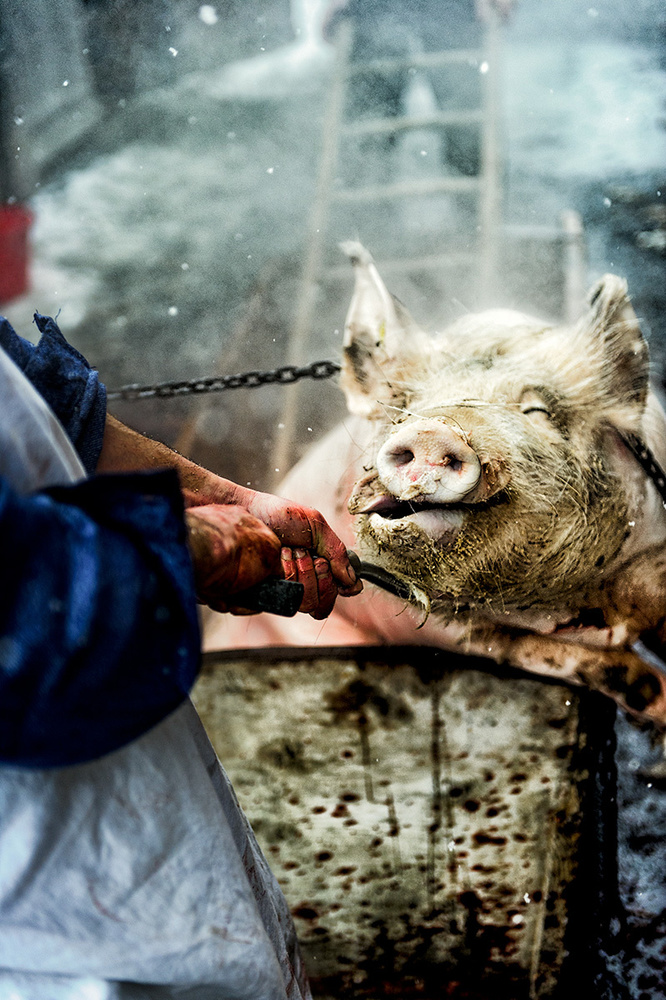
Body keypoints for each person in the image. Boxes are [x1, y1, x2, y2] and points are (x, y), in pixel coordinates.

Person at [0, 311, 360, 999]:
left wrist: (234, 502)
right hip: (45, 895)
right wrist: (194, 546)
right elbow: (23, 609)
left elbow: (34, 396)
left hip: (132, 790)